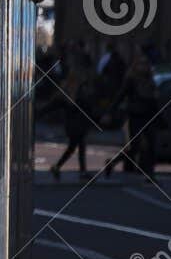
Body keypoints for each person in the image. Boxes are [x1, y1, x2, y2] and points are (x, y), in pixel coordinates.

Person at [99, 49, 159, 181]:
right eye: (141, 64)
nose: (144, 66)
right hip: (135, 116)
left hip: (149, 116)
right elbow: (120, 97)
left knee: (151, 145)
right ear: (136, 65)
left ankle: (151, 175)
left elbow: (155, 100)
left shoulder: (150, 80)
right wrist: (109, 112)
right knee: (134, 147)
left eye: (146, 63)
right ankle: (112, 163)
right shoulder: (131, 80)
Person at [50, 64, 94, 182]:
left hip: (75, 124)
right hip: (75, 125)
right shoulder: (75, 90)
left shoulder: (71, 89)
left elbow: (53, 105)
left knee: (73, 147)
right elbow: (55, 105)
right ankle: (82, 172)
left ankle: (57, 167)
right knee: (79, 146)